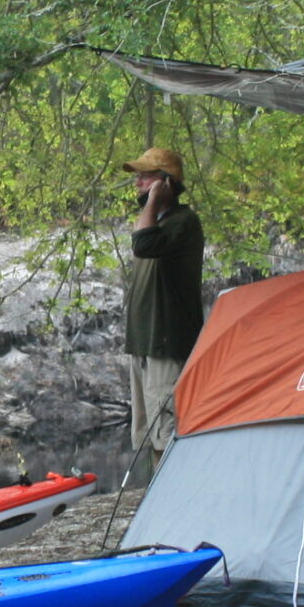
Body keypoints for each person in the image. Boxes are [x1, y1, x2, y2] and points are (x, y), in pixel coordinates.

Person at [122, 146, 205, 478]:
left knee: (168, 430)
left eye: (147, 177)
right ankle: (158, 497)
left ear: (167, 183)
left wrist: (156, 198)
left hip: (167, 343)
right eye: (139, 177)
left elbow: (143, 245)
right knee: (147, 434)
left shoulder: (183, 222)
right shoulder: (154, 222)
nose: (139, 183)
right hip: (144, 343)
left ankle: (178, 499)